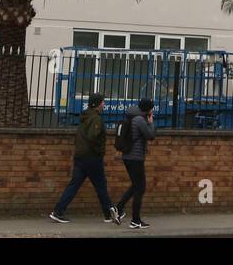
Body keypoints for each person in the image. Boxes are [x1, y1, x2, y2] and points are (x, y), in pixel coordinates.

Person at [50, 92, 120, 225]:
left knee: (74, 185)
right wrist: (100, 150)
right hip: (92, 157)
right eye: (103, 102)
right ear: (98, 104)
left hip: (80, 156)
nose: (104, 104)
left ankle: (58, 211)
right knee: (101, 186)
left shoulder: (85, 116)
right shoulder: (96, 119)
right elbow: (92, 137)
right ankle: (109, 213)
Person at [114, 97, 157, 230]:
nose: (152, 110)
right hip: (135, 158)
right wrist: (151, 122)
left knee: (136, 186)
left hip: (129, 157)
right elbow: (151, 136)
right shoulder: (139, 120)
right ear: (148, 109)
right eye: (151, 108)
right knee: (140, 188)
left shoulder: (133, 116)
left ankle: (118, 208)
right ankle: (135, 220)